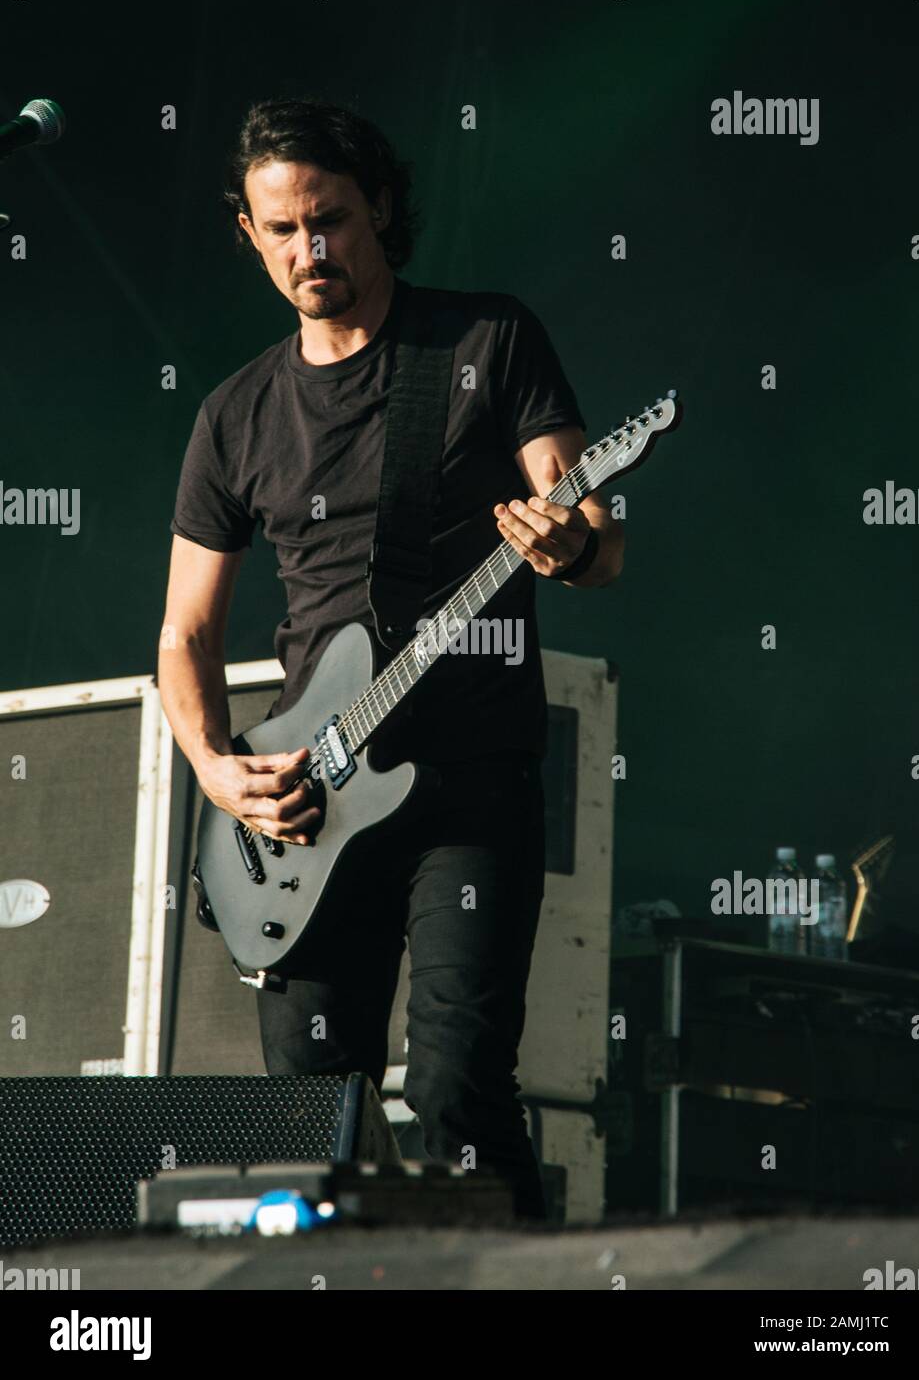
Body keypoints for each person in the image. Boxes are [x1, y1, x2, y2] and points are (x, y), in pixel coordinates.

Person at [158, 99, 624, 1220]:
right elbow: (185, 635)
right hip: (309, 794)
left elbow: (595, 536)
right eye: (281, 230)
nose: (308, 251)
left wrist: (570, 544)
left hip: (469, 779)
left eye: (330, 221)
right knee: (316, 1113)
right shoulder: (235, 415)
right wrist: (219, 769)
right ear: (249, 233)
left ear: (380, 214)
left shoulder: (483, 343)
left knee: (462, 1089)